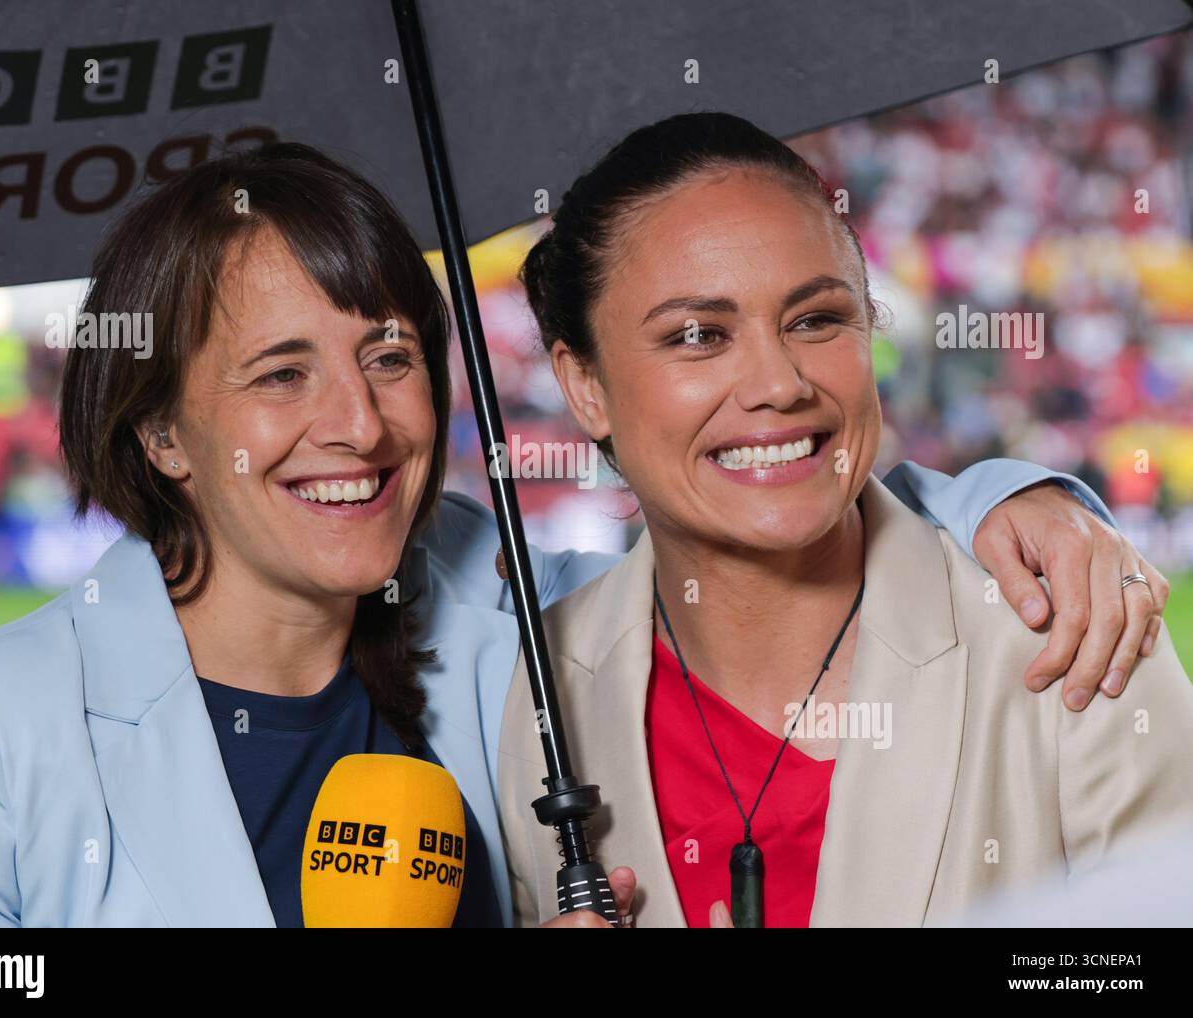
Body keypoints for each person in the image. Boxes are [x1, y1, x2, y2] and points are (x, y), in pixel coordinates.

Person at [0, 142, 1164, 928]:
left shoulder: (507, 621)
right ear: (162, 430)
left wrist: (1011, 499)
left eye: (388, 355)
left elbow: (752, 523)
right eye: (281, 374)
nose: (357, 423)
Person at [497, 112, 1193, 928]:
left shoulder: (1078, 638)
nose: (778, 382)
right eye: (698, 335)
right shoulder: (527, 698)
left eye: (816, 319)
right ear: (583, 386)